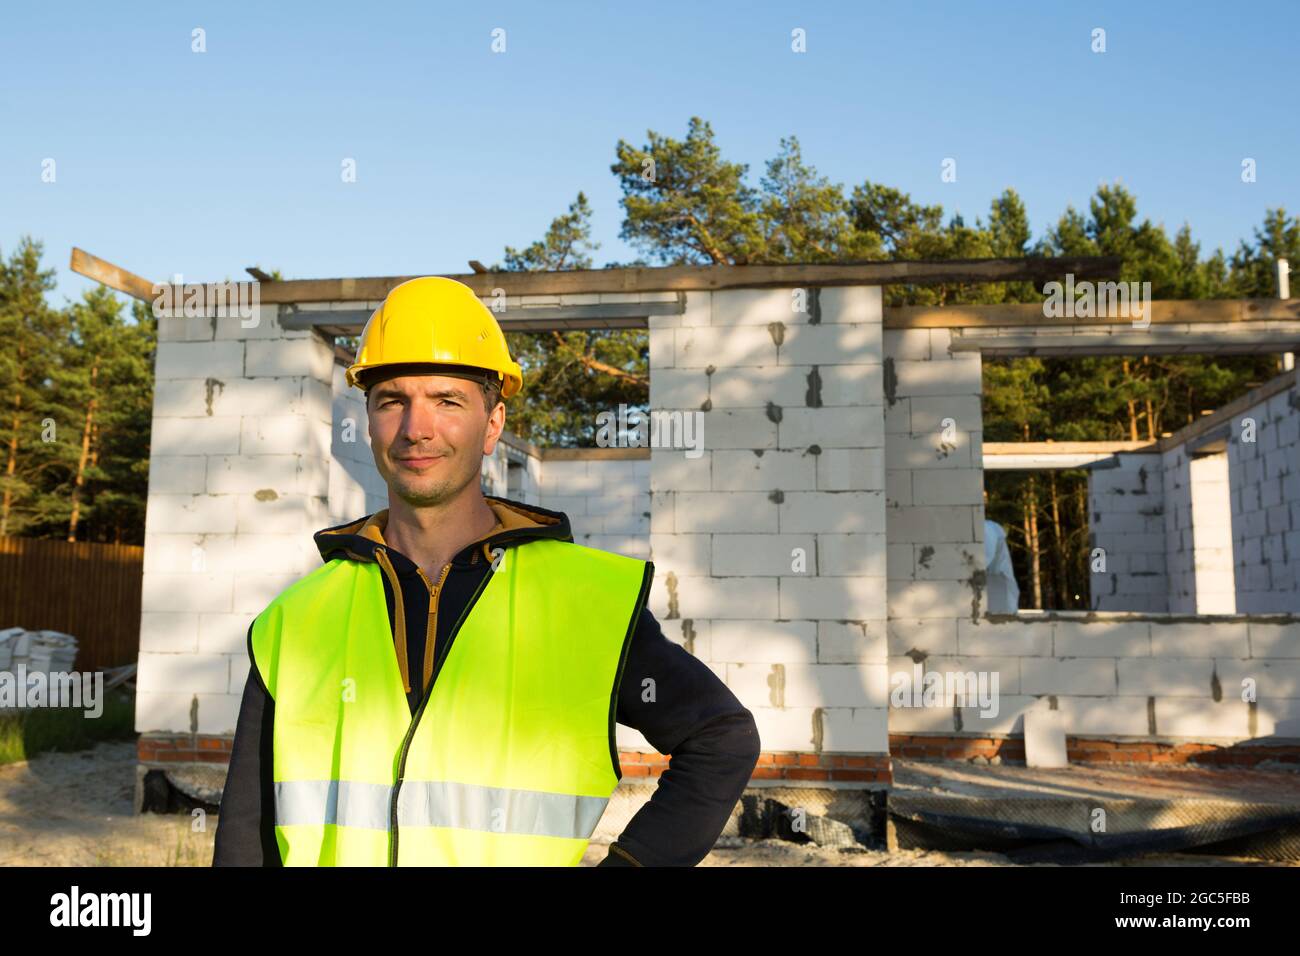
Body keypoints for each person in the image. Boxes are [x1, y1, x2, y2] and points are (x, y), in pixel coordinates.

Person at [211, 276, 760, 866]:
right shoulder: (296, 619)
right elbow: (248, 829)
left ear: (492, 424)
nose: (415, 428)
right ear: (368, 420)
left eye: (447, 401)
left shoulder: (586, 602)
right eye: (391, 400)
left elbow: (721, 737)